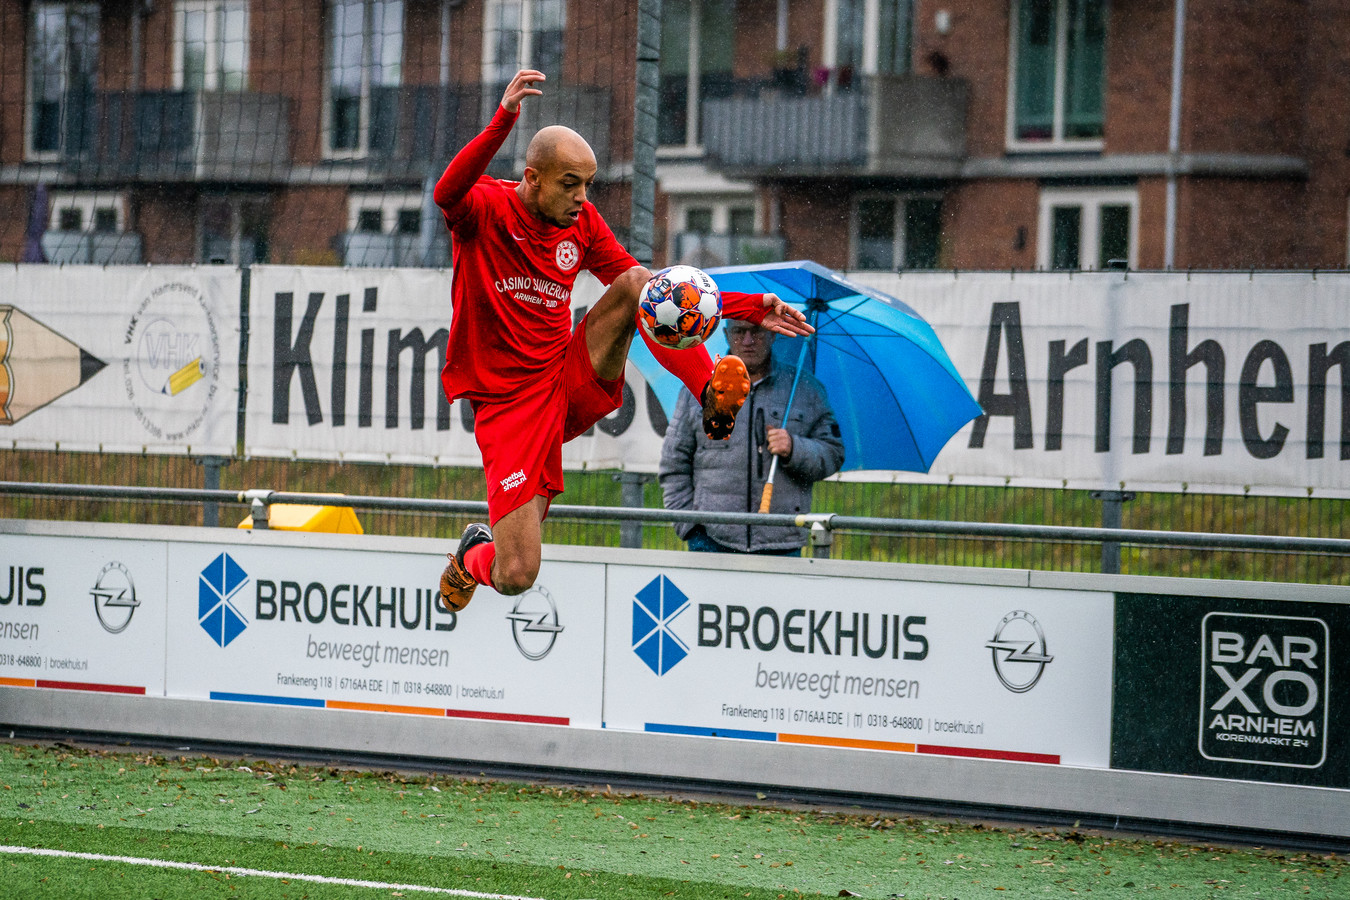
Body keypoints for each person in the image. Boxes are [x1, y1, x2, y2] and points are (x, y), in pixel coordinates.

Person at [433, 69, 814, 611]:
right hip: (509, 408)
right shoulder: (485, 210)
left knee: (638, 285)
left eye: (588, 183)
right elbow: (445, 191)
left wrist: (752, 306)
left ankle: (710, 393)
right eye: (570, 183)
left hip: (564, 378)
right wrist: (503, 119)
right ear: (533, 177)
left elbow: (663, 296)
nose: (582, 198)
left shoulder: (582, 224)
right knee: (516, 572)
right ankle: (473, 556)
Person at [659, 318, 844, 555]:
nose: (748, 341)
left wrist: (794, 448)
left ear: (773, 335)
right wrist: (690, 526)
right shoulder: (699, 388)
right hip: (710, 541)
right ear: (726, 335)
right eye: (739, 332)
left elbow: (833, 453)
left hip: (782, 541)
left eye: (756, 331)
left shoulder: (805, 389)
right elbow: (674, 464)